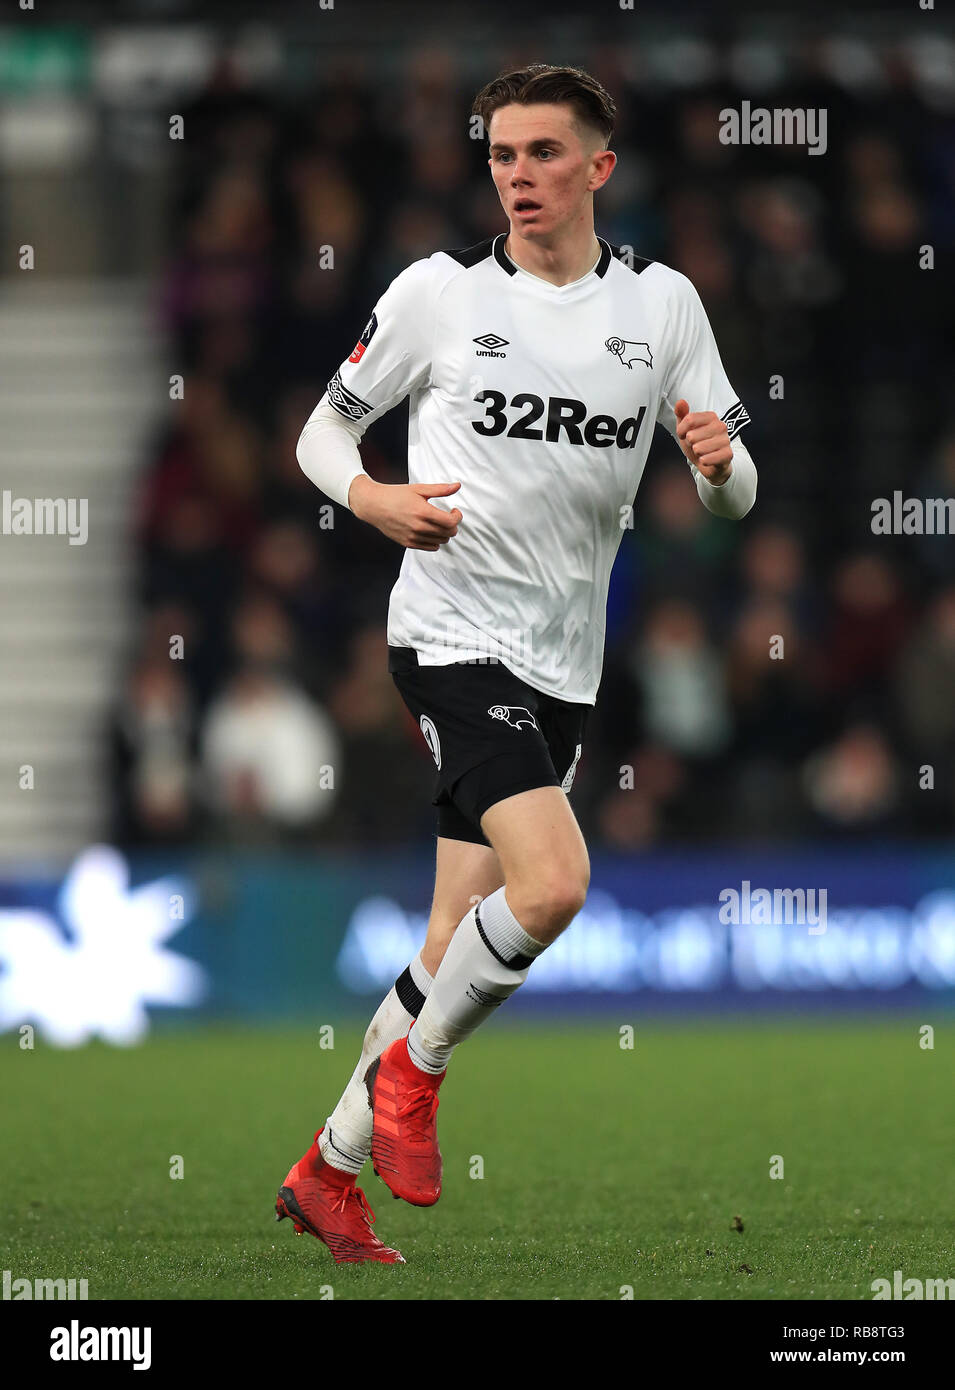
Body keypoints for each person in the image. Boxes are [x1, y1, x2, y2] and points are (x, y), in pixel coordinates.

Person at [277, 62, 757, 1264]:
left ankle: (325, 1171)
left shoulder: (662, 309)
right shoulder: (437, 295)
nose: (518, 175)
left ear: (599, 166)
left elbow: (741, 487)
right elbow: (320, 433)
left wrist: (712, 464)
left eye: (544, 153)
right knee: (549, 886)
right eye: (500, 154)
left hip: (564, 663)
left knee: (452, 935)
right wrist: (377, 499)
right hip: (447, 632)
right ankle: (416, 1082)